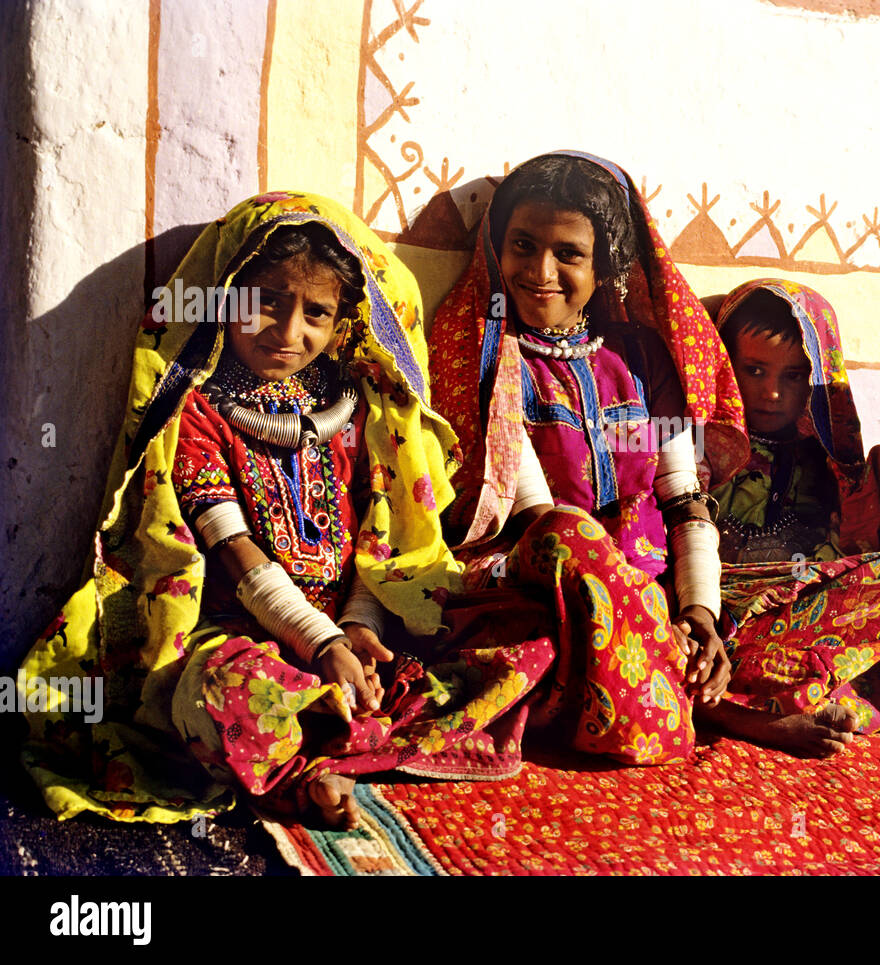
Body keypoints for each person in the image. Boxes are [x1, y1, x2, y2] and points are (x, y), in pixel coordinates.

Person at [19, 192, 661, 830]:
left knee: (528, 634)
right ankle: (315, 761)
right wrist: (319, 641)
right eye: (266, 302)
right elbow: (234, 552)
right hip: (240, 633)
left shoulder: (359, 409)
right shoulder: (198, 414)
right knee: (225, 692)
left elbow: (377, 544)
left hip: (357, 634)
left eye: (316, 313)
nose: (288, 332)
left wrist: (357, 629)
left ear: (341, 323)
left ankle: (333, 726)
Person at [429, 151, 751, 750]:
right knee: (568, 535)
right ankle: (720, 705)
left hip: (658, 590)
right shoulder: (490, 355)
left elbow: (683, 502)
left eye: (568, 254)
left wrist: (700, 612)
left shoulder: (640, 359)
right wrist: (641, 606)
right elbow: (536, 524)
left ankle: (684, 670)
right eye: (522, 245)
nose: (540, 270)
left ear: (608, 268)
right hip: (548, 591)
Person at [701, 279, 880, 755]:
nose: (772, 393)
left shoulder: (828, 463)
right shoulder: (701, 446)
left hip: (784, 632)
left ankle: (752, 698)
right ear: (723, 363)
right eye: (754, 370)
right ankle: (750, 712)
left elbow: (852, 565)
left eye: (794, 376)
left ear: (821, 376)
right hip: (704, 621)